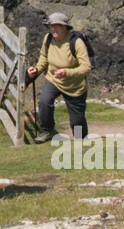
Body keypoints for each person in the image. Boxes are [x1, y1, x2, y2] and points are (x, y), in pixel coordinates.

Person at [28, 12, 91, 143]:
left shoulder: (76, 42)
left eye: (56, 26)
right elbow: (43, 58)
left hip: (75, 86)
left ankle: (81, 140)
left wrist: (67, 72)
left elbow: (86, 67)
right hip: (54, 79)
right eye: (51, 26)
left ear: (65, 27)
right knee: (44, 102)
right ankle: (47, 131)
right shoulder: (48, 38)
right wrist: (37, 69)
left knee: (77, 120)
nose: (53, 29)